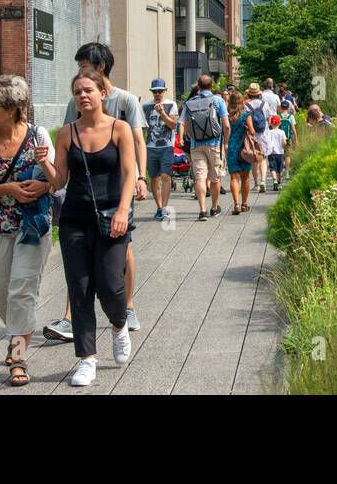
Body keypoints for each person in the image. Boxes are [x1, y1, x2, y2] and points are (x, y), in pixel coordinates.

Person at [45, 43, 146, 343]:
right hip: (80, 198)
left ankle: (125, 308)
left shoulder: (125, 101)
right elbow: (67, 142)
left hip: (117, 191)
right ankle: (70, 317)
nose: (79, 74)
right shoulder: (74, 102)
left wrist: (140, 176)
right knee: (79, 268)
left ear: (99, 68)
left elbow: (138, 140)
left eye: (83, 66)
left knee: (119, 254)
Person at [0, 74, 53, 387]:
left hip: (31, 227)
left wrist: (42, 184)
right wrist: (8, 189)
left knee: (22, 292)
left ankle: (18, 358)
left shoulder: (38, 134)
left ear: (14, 107)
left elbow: (54, 181)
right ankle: (16, 335)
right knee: (3, 295)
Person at [179, 73, 230, 220]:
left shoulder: (190, 103)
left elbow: (181, 122)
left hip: (196, 145)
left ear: (198, 87)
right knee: (215, 178)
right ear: (212, 86)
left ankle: (202, 210)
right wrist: (225, 143)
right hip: (215, 144)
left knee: (200, 178)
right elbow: (226, 126)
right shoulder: (218, 100)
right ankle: (214, 208)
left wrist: (183, 138)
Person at [142, 78, 178, 221]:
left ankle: (164, 208)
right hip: (150, 147)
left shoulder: (171, 104)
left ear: (165, 91)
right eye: (155, 92)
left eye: (160, 91)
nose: (157, 94)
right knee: (154, 178)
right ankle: (158, 207)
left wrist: (163, 113)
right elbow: (143, 128)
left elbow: (174, 125)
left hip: (167, 146)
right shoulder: (145, 106)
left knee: (166, 176)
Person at [225, 98, 256, 213]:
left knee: (234, 177)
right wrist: (248, 129)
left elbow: (225, 130)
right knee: (245, 177)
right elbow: (252, 131)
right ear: (241, 102)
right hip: (245, 148)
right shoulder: (246, 115)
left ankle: (236, 205)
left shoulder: (227, 116)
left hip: (232, 148)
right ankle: (244, 204)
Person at [261, 113, 287, 193]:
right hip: (280, 153)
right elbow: (284, 143)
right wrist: (284, 146)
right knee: (279, 169)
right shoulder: (282, 132)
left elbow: (266, 141)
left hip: (271, 153)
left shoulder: (269, 132)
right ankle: (279, 182)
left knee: (272, 168)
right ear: (280, 123)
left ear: (271, 124)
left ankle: (274, 180)